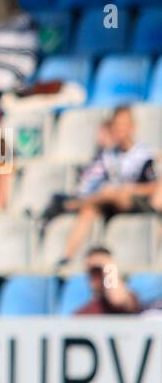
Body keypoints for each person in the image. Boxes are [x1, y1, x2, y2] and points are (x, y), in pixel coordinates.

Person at [48, 106, 156, 268]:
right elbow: (90, 181)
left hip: (135, 201)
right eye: (117, 125)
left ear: (133, 127)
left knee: (111, 193)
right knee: (88, 211)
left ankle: (68, 205)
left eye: (124, 124)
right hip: (107, 200)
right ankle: (67, 256)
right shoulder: (108, 155)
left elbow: (154, 186)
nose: (120, 129)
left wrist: (131, 189)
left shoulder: (144, 155)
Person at [75, 247, 139, 315]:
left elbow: (118, 300)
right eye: (91, 271)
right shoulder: (86, 310)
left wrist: (106, 264)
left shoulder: (128, 298)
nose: (95, 275)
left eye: (98, 270)